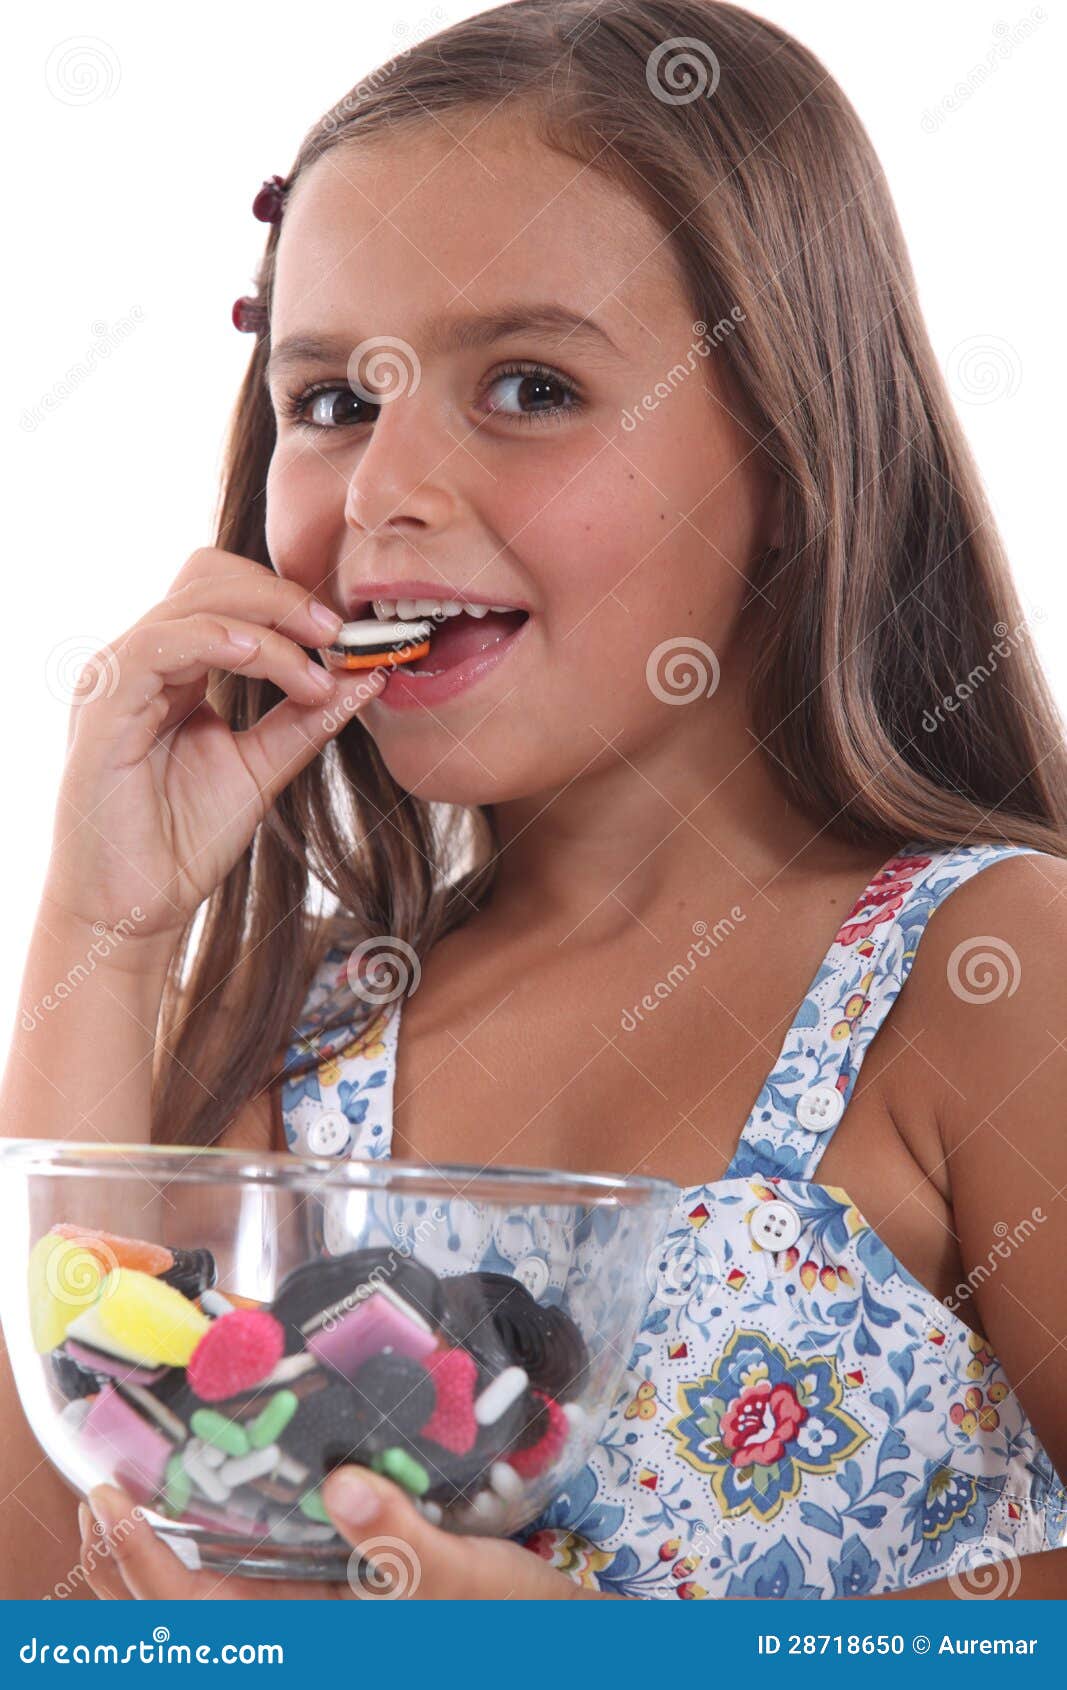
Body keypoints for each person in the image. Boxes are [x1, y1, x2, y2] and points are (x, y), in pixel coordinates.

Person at [3, 0, 1065, 1600]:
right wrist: (112, 925)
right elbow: (49, 1611)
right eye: (335, 403)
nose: (381, 489)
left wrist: (594, 1656)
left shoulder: (993, 974)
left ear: (787, 460)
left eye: (531, 387)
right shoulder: (293, 1048)